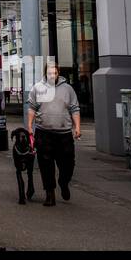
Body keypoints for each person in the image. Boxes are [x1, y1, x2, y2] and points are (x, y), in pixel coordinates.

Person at [26, 62, 81, 207]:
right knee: (46, 165)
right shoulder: (38, 88)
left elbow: (75, 108)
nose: (52, 76)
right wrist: (30, 126)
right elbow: (32, 108)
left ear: (58, 73)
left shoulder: (68, 89)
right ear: (46, 73)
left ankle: (63, 182)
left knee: (68, 164)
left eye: (55, 73)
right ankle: (50, 194)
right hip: (44, 133)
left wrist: (78, 127)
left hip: (64, 135)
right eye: (50, 73)